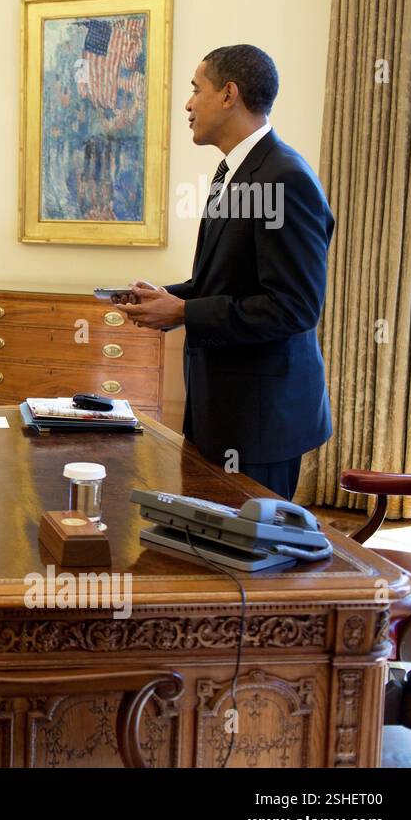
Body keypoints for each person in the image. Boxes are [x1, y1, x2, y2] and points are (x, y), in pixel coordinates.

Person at [116, 45, 334, 500]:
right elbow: (225, 282)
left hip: (259, 421)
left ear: (229, 94)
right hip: (219, 408)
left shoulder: (283, 179)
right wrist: (167, 299)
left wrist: (185, 313)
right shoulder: (230, 172)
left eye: (197, 89)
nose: (188, 104)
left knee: (249, 565)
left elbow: (293, 307)